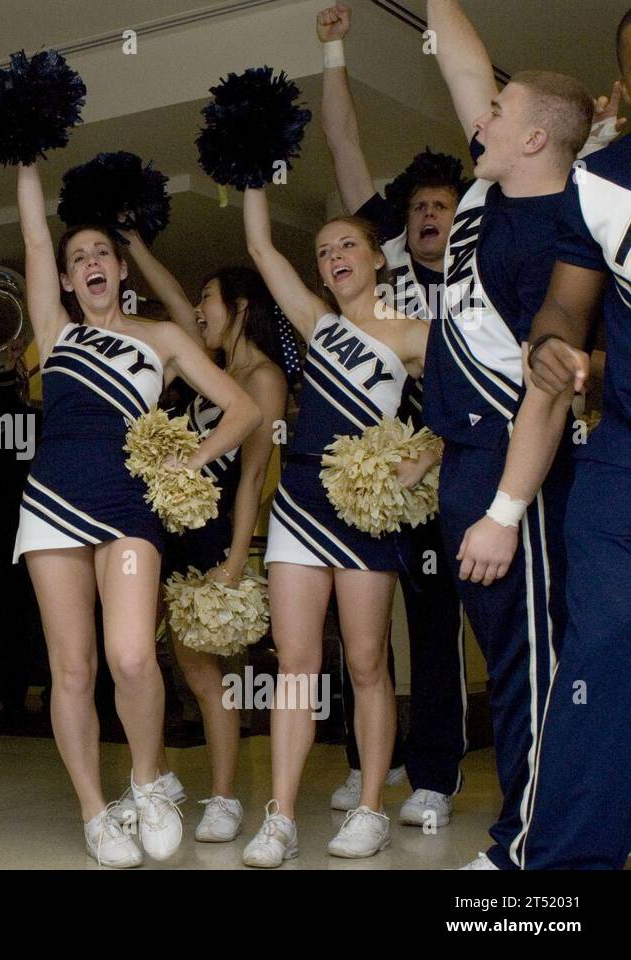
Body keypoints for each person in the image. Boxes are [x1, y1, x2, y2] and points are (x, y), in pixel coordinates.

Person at [13, 161, 260, 868]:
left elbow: (244, 411)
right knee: (71, 669)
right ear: (64, 280)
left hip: (128, 509)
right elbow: (33, 241)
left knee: (129, 654)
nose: (89, 263)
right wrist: (31, 161)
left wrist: (190, 458)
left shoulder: (162, 339)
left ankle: (148, 780)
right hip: (52, 505)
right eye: (76, 258)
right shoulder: (55, 329)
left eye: (101, 254)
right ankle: (95, 810)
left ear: (122, 270)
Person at [419, 0, 592, 871]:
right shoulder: (492, 188)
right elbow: (460, 65)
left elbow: (548, 396)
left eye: (501, 110)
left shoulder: (559, 236)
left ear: (536, 140)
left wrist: (503, 509)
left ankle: (526, 852)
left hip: (513, 473)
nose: (480, 115)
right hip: (467, 461)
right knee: (511, 659)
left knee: (533, 672)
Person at [238, 178, 435, 866]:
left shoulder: (414, 333)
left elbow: (464, 404)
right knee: (294, 662)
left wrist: (421, 459)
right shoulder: (319, 325)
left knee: (366, 661)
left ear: (378, 257)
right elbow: (260, 247)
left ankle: (372, 808)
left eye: (348, 244)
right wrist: (253, 169)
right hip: (299, 499)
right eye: (324, 252)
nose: (335, 257)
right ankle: (281, 816)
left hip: (363, 506)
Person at [476, 12, 631, 871]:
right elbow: (568, 303)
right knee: (601, 642)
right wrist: (552, 343)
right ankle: (562, 879)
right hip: (622, 455)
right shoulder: (603, 181)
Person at [316, 3, 469, 826]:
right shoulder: (383, 269)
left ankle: (435, 779)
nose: (428, 216)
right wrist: (335, 52)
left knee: (436, 624)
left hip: (447, 470)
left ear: (462, 216)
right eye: (418, 208)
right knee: (357, 619)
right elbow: (344, 149)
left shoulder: (482, 277)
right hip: (370, 475)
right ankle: (365, 761)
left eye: (442, 206)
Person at [123, 240, 297, 845]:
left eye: (209, 300)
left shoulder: (265, 379)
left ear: (240, 307)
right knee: (143, 659)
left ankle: (223, 797)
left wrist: (232, 557)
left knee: (202, 673)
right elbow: (173, 303)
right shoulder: (211, 368)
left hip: (211, 533)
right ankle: (160, 777)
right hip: (164, 527)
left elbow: (252, 475)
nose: (198, 310)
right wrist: (135, 244)